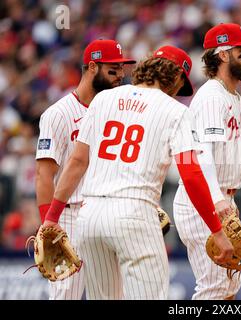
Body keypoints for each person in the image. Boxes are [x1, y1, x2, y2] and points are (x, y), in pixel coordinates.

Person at [42, 45, 234, 300]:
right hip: (135, 215)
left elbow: (77, 162)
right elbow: (190, 174)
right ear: (175, 77)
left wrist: (51, 219)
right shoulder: (176, 111)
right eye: (181, 85)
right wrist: (216, 231)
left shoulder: (103, 99)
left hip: (90, 219)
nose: (179, 92)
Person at [35, 39, 135, 300]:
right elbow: (44, 174)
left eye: (122, 70)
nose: (120, 76)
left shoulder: (117, 112)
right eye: (113, 70)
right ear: (92, 67)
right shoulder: (58, 114)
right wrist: (48, 223)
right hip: (70, 214)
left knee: (112, 295)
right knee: (65, 294)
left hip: (108, 212)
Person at [173, 23, 241, 300]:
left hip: (221, 197)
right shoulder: (212, 95)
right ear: (222, 54)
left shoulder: (231, 95)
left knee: (228, 288)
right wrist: (217, 201)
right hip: (205, 198)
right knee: (214, 289)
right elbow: (203, 154)